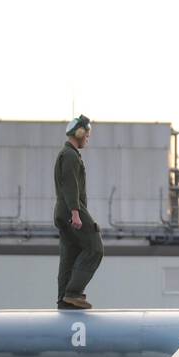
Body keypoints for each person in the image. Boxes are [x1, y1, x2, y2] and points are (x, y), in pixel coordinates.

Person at [54, 114, 103, 310]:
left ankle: (64, 299)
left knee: (70, 254)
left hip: (62, 210)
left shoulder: (66, 154)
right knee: (95, 247)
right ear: (80, 133)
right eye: (87, 135)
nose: (87, 139)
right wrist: (75, 212)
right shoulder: (71, 156)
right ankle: (73, 293)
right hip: (71, 208)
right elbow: (70, 185)